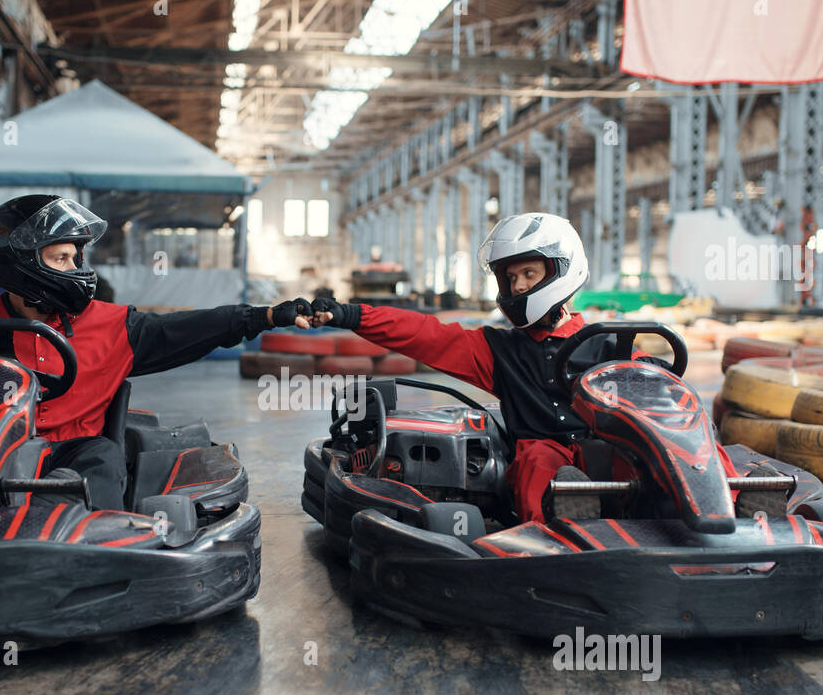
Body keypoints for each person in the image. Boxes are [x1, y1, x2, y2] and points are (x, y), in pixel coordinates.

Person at [308, 212, 766, 524]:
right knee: (537, 465)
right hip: (546, 449)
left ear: (561, 271)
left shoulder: (614, 343)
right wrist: (348, 315)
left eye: (528, 274)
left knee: (683, 435)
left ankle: (739, 507)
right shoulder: (497, 349)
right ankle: (556, 529)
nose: (517, 285)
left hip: (609, 448)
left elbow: (652, 399)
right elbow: (424, 333)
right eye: (510, 278)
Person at [0, 194, 311, 508]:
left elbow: (188, 328)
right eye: (62, 259)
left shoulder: (112, 326)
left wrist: (266, 316)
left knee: (104, 457)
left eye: (77, 258)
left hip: (73, 451)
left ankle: (103, 541)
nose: (77, 271)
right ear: (20, 266)